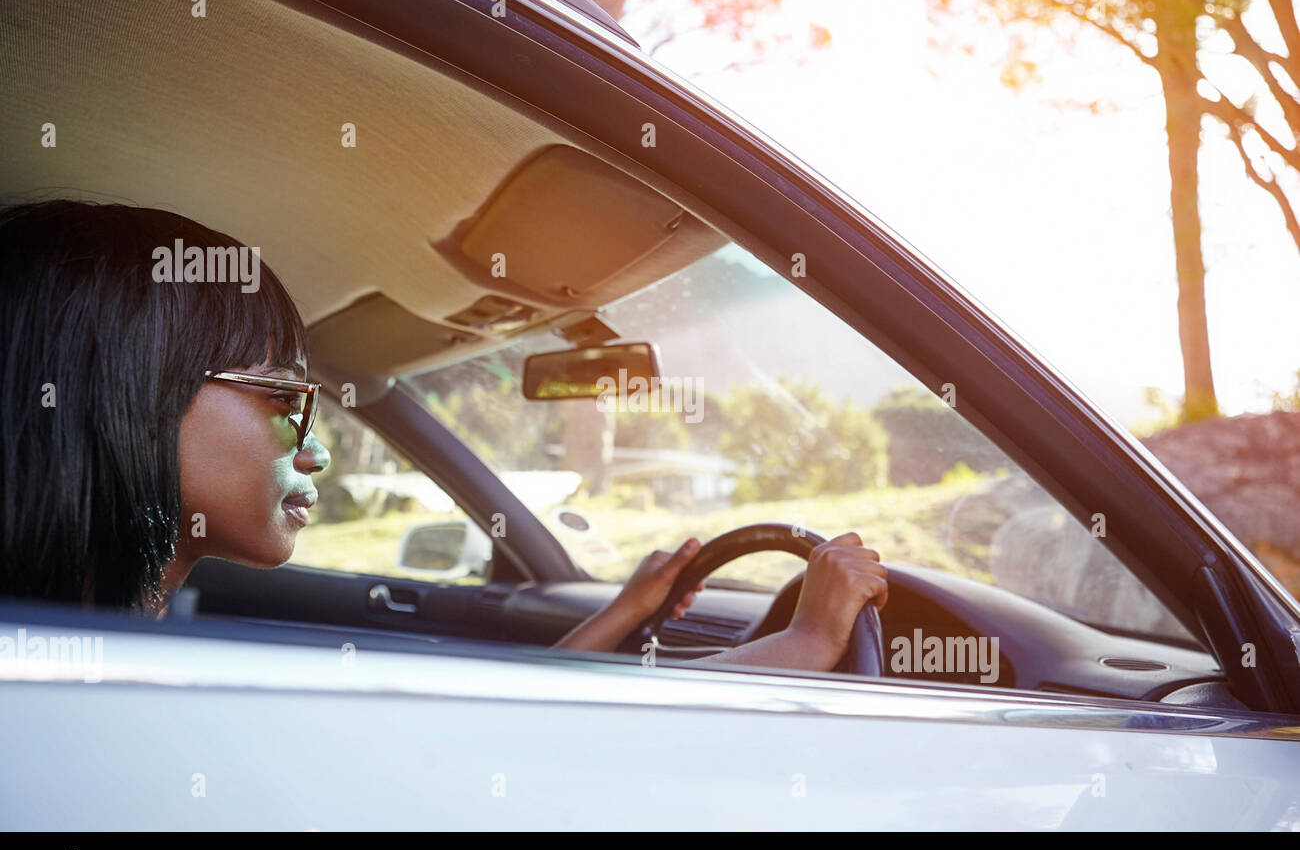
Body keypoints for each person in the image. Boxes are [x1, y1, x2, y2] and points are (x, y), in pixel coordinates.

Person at [0, 200, 887, 671]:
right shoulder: (99, 683)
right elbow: (526, 770)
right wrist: (805, 647)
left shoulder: (117, 648)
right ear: (123, 398)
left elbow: (500, 737)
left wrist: (622, 611)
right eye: (282, 397)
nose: (317, 445)